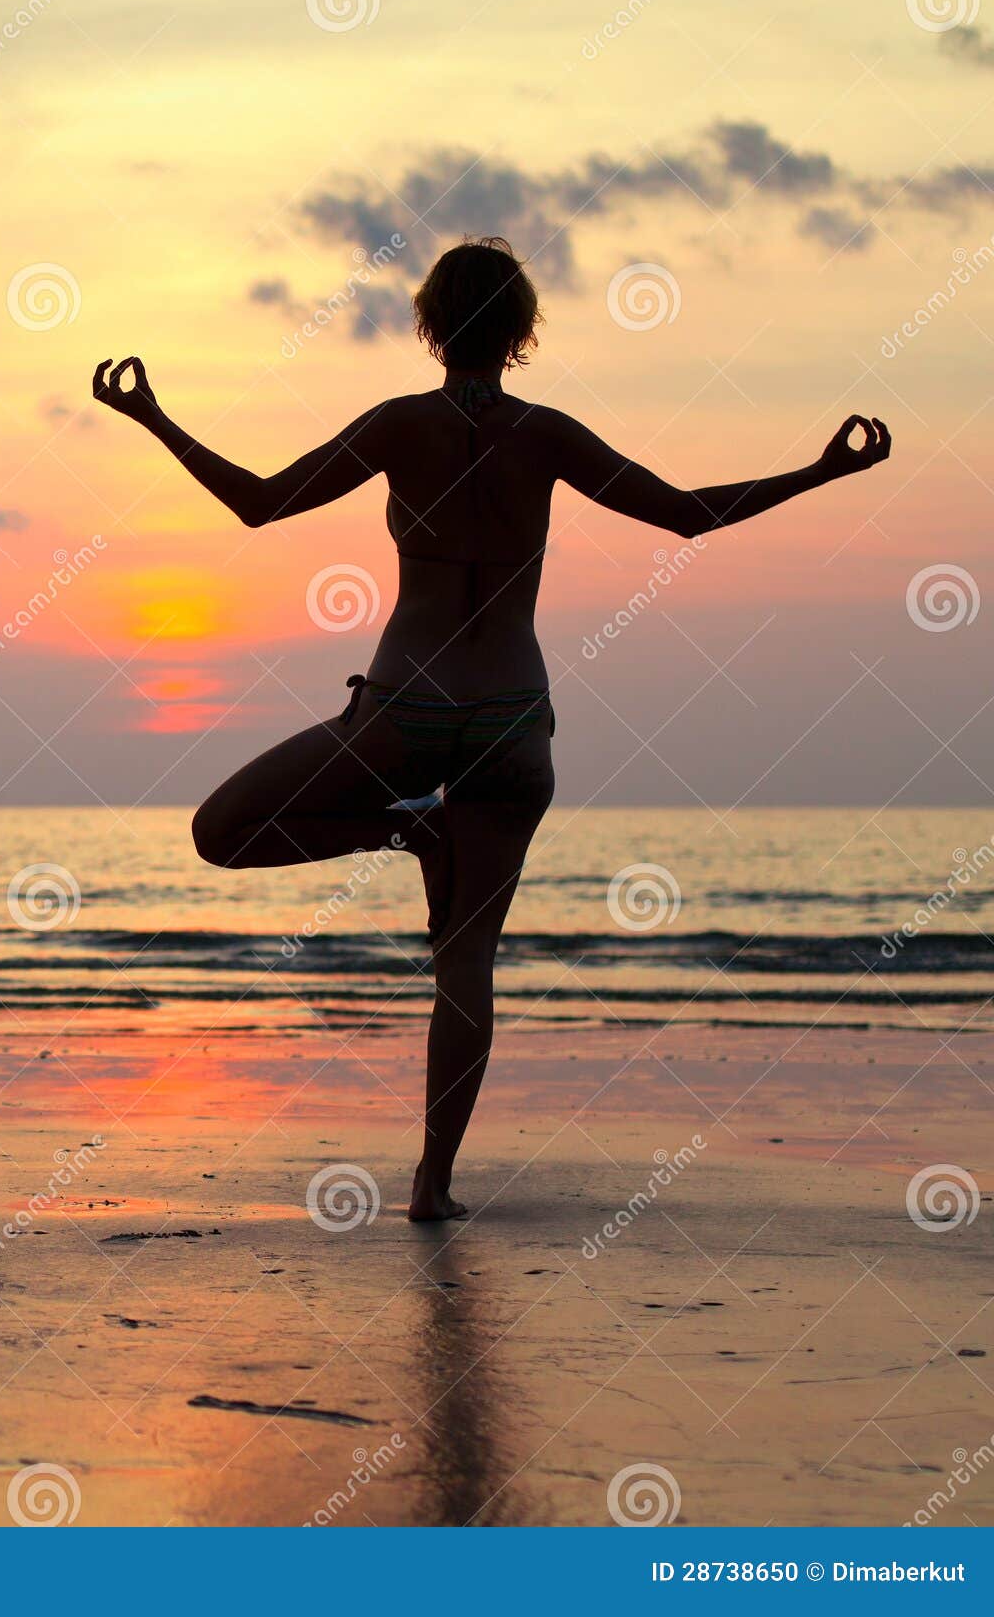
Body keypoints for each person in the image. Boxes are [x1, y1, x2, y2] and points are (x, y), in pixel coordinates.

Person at [91, 235, 891, 1221]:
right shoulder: (546, 436)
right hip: (512, 723)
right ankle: (432, 1183)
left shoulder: (400, 425)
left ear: (430, 325)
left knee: (221, 830)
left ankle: (404, 831)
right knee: (466, 959)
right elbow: (688, 516)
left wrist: (152, 416)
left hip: (404, 710)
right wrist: (822, 471)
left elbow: (259, 504)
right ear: (520, 332)